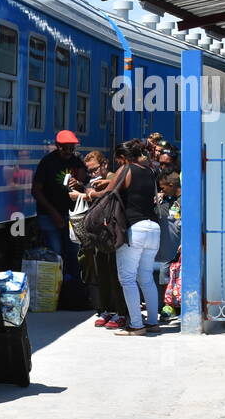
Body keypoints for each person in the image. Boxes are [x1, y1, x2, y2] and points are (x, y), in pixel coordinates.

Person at [96, 139, 162, 335]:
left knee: (127, 278)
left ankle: (135, 324)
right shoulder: (149, 170)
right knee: (146, 278)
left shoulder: (126, 170)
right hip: (153, 228)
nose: (117, 163)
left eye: (118, 159)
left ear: (123, 158)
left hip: (135, 229)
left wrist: (89, 193)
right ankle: (152, 321)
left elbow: (108, 194)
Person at [73, 150, 128, 329]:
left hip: (110, 231)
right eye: (89, 171)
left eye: (95, 169)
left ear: (104, 165)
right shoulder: (95, 180)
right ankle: (106, 309)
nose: (93, 173)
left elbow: (109, 194)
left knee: (114, 273)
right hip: (99, 232)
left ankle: (120, 311)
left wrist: (85, 195)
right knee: (102, 272)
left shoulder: (113, 177)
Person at [32, 130, 85, 285]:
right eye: (65, 148)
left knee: (73, 254)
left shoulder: (77, 161)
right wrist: (53, 212)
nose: (68, 151)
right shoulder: (47, 162)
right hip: (49, 215)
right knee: (55, 254)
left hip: (71, 215)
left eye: (71, 148)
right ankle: (55, 287)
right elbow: (36, 190)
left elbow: (83, 184)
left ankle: (72, 288)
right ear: (57, 146)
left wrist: (79, 184)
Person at [154, 171, 182, 321]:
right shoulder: (170, 201)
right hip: (169, 248)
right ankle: (168, 306)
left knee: (172, 276)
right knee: (165, 275)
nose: (162, 191)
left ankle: (172, 307)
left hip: (178, 248)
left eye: (163, 188)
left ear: (171, 185)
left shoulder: (184, 201)